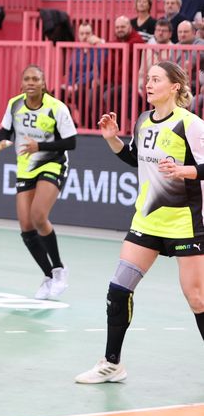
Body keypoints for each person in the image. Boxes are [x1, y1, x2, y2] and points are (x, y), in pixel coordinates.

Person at [77, 61, 204, 383]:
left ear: (175, 86)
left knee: (197, 298)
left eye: (156, 79)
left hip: (184, 223)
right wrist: (112, 139)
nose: (148, 84)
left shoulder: (190, 124)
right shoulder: (144, 121)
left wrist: (186, 171)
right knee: (118, 290)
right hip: (146, 221)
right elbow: (136, 158)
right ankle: (111, 363)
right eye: (147, 79)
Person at [0, 65, 77, 300]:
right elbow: (5, 131)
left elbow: (71, 143)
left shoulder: (56, 108)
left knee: (39, 215)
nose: (31, 82)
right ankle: (49, 275)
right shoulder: (15, 104)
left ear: (43, 83)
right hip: (25, 167)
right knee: (26, 226)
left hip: (52, 162)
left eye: (36, 79)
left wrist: (39, 146)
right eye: (27, 79)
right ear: (22, 84)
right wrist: (2, 142)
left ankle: (60, 268)